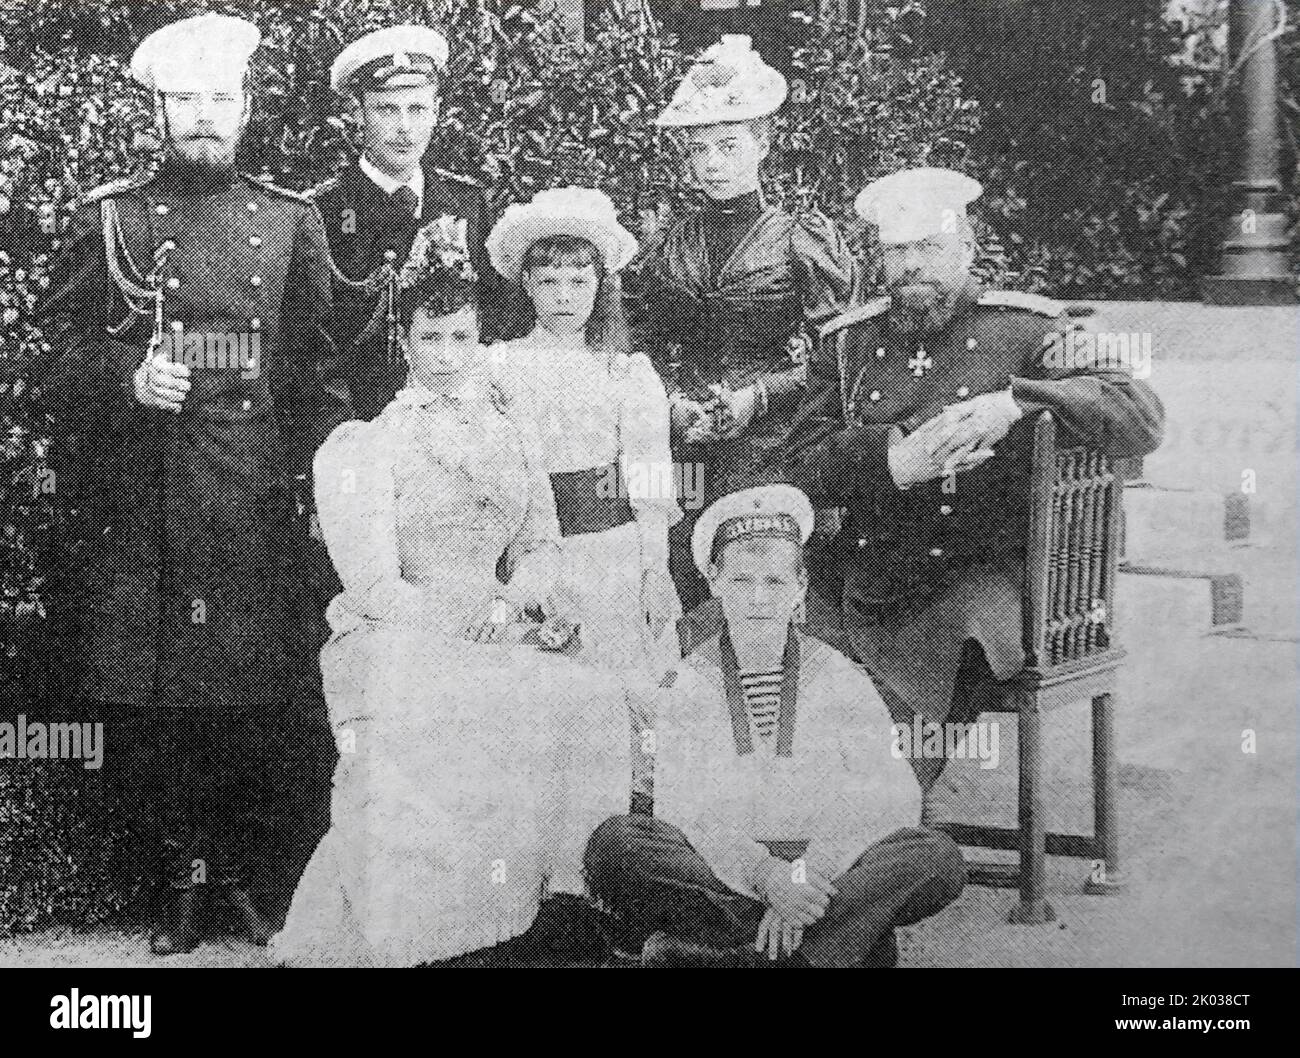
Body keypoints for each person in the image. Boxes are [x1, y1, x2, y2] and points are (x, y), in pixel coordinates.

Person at [36, 13, 353, 955]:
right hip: (151, 496)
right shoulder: (116, 218)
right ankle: (182, 880)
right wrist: (127, 377)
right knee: (161, 701)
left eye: (221, 99)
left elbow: (316, 373)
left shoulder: (292, 221)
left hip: (251, 493)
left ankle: (245, 880)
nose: (204, 118)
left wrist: (337, 485)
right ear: (160, 111)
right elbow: (55, 356)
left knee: (252, 692)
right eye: (186, 102)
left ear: (247, 108)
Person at [269, 220, 633, 968]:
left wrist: (523, 599)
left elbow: (538, 543)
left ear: (478, 340)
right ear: (404, 341)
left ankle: (555, 911)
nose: (446, 357)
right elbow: (372, 581)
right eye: (430, 339)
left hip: (496, 619)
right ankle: (439, 929)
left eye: (461, 339)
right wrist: (465, 621)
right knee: (454, 704)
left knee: (588, 697)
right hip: (400, 626)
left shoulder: (510, 430)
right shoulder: (365, 444)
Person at [783, 167, 1165, 796]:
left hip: (983, 571)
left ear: (966, 249)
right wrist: (893, 462)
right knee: (772, 666)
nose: (911, 267)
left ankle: (874, 815)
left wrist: (1015, 404)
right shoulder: (849, 343)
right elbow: (797, 456)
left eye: (928, 248)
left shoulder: (1029, 329)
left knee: (906, 696)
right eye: (896, 251)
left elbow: (1138, 413)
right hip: (862, 567)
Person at [584, 485, 965, 967]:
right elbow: (687, 810)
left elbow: (891, 794)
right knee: (617, 846)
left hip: (826, 867)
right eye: (742, 582)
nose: (759, 600)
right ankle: (827, 946)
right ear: (715, 583)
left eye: (776, 582)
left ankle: (738, 958)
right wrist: (768, 878)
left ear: (801, 588)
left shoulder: (838, 673)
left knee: (936, 856)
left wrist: (807, 875)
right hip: (726, 872)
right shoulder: (688, 683)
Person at [636, 34, 856, 615]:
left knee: (752, 580)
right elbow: (648, 347)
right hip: (686, 442)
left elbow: (839, 361)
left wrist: (758, 396)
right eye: (699, 149)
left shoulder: (801, 239)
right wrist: (675, 401)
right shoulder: (671, 243)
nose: (712, 164)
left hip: (776, 444)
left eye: (728, 146)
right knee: (679, 568)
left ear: (761, 145)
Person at [486, 186, 680, 682]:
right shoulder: (498, 365)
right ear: (526, 283)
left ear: (600, 284)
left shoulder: (624, 370)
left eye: (578, 280)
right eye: (549, 281)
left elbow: (650, 478)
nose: (565, 296)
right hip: (532, 556)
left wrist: (655, 571)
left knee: (630, 690)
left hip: (614, 552)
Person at [311, 24, 501, 422]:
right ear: (358, 115)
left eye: (417, 109)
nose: (404, 127)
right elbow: (311, 343)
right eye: (386, 110)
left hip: (456, 418)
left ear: (436, 113)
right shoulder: (323, 211)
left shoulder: (467, 203)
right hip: (360, 423)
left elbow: (496, 315)